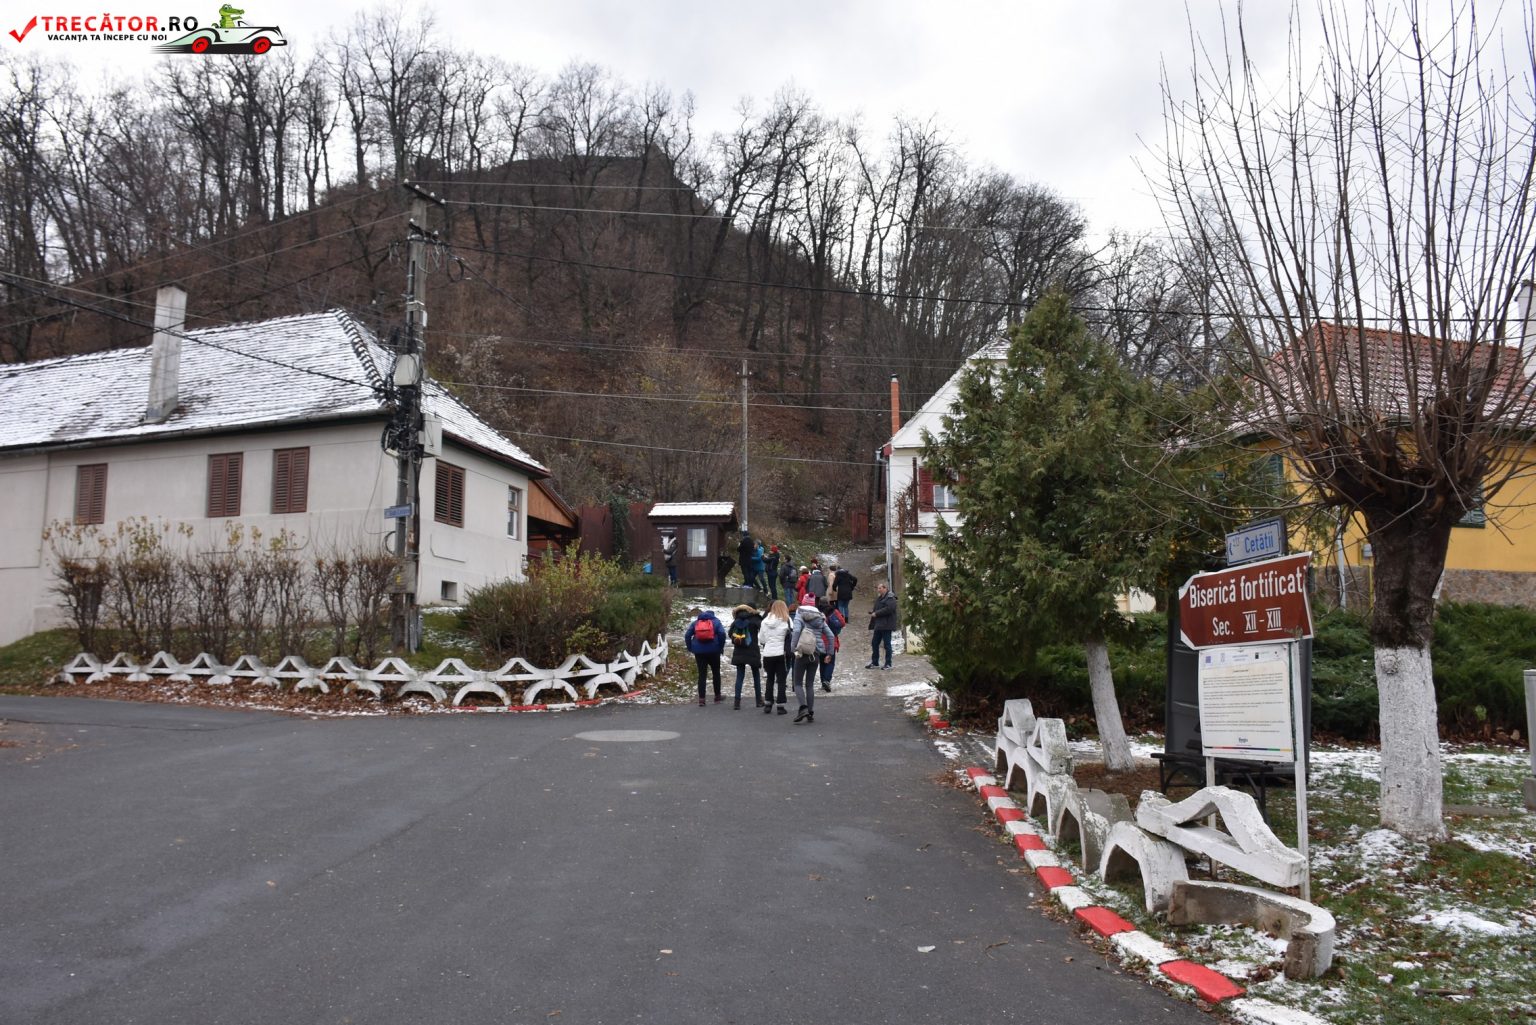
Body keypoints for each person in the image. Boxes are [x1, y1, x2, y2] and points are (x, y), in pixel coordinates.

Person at [788, 595, 835, 724]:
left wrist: (792, 648)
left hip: (802, 652)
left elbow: (796, 631)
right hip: (816, 653)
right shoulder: (820, 617)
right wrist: (829, 653)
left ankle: (803, 708)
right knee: (809, 684)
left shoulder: (800, 614)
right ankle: (810, 712)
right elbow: (831, 635)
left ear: (803, 602)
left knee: (797, 683)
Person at [684, 607, 727, 704]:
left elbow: (687, 635)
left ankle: (702, 699)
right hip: (714, 651)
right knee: (716, 673)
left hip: (699, 652)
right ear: (713, 615)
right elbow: (722, 634)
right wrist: (720, 647)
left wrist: (690, 647)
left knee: (702, 674)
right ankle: (717, 696)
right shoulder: (716, 622)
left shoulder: (696, 623)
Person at [758, 599, 792, 714]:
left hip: (768, 654)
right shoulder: (786, 620)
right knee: (781, 680)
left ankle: (768, 704)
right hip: (781, 653)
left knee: (770, 679)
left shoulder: (764, 621)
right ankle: (780, 706)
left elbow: (761, 639)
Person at [727, 603, 763, 709]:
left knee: (740, 676)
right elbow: (763, 630)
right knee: (756, 675)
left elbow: (730, 634)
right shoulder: (755, 619)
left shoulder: (737, 619)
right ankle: (759, 700)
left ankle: (737, 702)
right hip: (753, 650)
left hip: (739, 650)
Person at [866, 583, 899, 670]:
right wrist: (873, 612)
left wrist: (877, 613)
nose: (878, 590)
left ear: (885, 588)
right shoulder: (880, 598)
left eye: (880, 588)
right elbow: (878, 608)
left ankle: (888, 663)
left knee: (887, 645)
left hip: (887, 625)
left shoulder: (890, 597)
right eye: (878, 588)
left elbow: (889, 609)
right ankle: (875, 662)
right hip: (879, 625)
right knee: (874, 643)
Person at [818, 598, 846, 692]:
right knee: (830, 662)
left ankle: (823, 682)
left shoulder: (817, 613)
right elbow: (842, 622)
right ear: (828, 602)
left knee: (822, 662)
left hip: (820, 641)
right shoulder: (833, 611)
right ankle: (826, 680)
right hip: (831, 640)